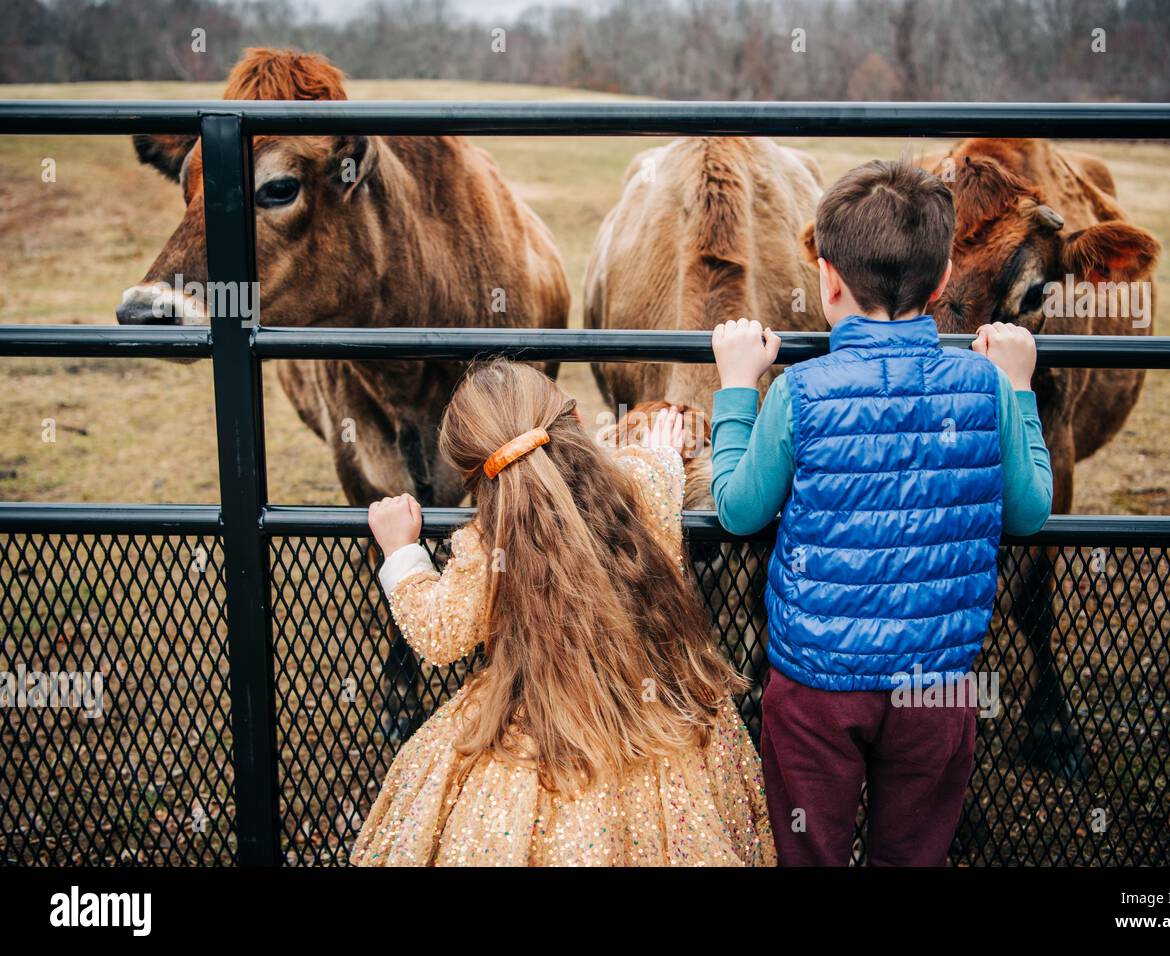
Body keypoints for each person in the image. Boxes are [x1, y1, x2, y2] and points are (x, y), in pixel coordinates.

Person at [709, 159, 1054, 866]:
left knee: (811, 851)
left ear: (828, 278)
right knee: (912, 854)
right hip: (937, 687)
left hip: (815, 688)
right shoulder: (983, 387)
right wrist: (1018, 389)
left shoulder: (800, 391)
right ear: (939, 285)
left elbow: (738, 512)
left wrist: (739, 389)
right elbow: (1029, 512)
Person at [352, 359, 774, 866]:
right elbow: (656, 467)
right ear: (573, 423)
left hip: (540, 733)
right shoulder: (639, 490)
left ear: (470, 472)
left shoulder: (487, 547)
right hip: (656, 724)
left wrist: (402, 553)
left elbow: (438, 634)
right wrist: (665, 444)